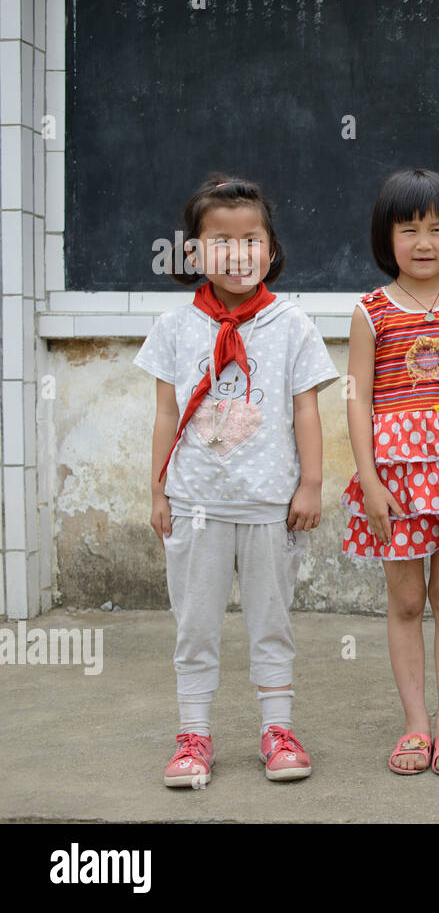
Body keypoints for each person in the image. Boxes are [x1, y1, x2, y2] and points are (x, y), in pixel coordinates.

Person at [137, 174, 338, 787]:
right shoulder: (174, 328)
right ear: (194, 252)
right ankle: (193, 734)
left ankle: (277, 729)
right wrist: (157, 491)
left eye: (251, 239)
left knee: (270, 619)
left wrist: (310, 485)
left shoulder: (292, 324)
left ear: (271, 248)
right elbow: (167, 413)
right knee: (195, 621)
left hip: (268, 504)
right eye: (220, 241)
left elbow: (306, 407)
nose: (238, 253)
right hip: (195, 501)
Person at [341, 168, 439, 776]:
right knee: (407, 600)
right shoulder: (370, 313)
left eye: (438, 229)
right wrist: (370, 480)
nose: (424, 242)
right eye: (409, 229)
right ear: (388, 238)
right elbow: (358, 397)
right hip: (395, 478)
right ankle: (414, 726)